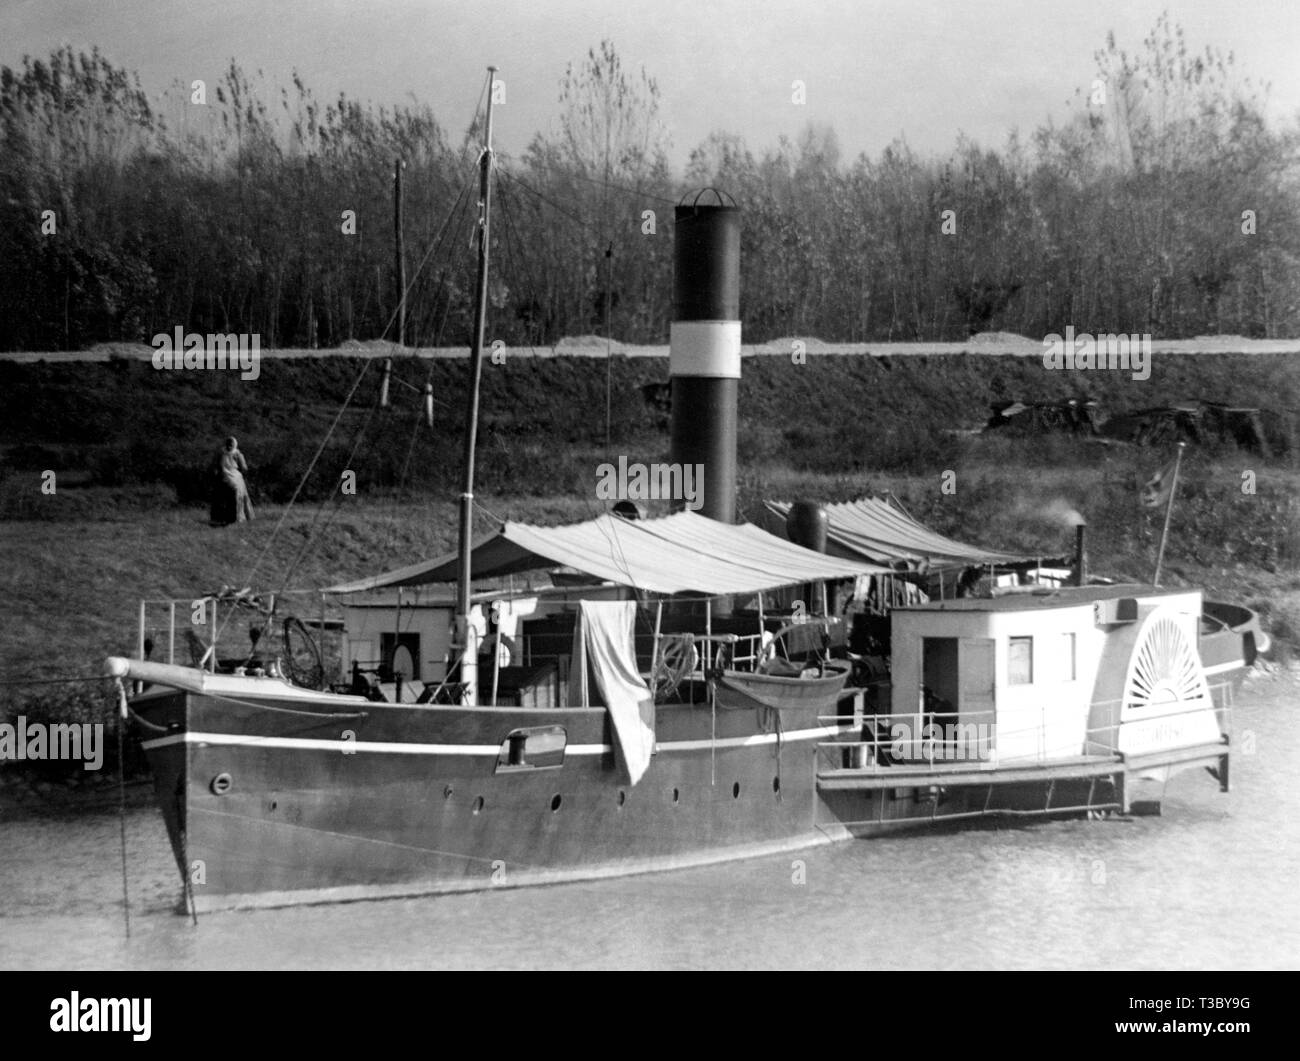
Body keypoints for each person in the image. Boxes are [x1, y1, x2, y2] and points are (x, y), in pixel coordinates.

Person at [210, 436, 254, 525]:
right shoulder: (220, 453)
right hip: (224, 474)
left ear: (234, 445)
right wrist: (215, 471)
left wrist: (241, 469)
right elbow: (215, 464)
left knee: (239, 491)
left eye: (231, 444)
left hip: (235, 474)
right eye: (228, 444)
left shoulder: (237, 454)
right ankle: (221, 517)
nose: (229, 446)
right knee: (226, 492)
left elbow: (244, 467)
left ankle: (238, 517)